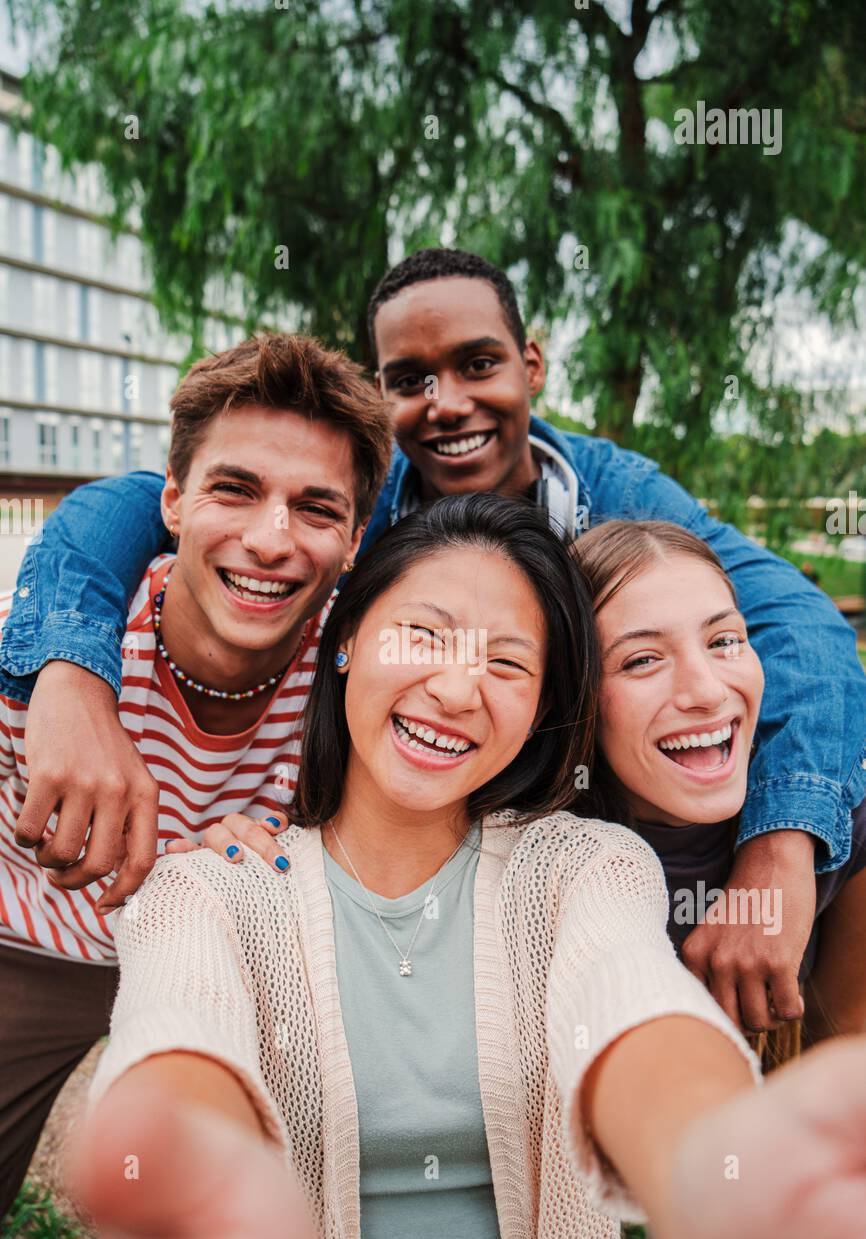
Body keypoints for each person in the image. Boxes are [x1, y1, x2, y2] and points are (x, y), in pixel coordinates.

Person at [2, 250, 864, 1030]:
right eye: (409, 377)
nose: (447, 403)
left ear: (531, 366)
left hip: (600, 806)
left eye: (478, 364)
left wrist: (779, 847)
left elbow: (792, 624)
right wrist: (73, 674)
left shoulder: (617, 494)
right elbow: (122, 508)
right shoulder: (349, 510)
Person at [65, 495, 866, 1239]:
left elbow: (631, 1003)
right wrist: (193, 1163)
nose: (455, 688)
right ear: (345, 642)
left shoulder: (585, 866)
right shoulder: (206, 890)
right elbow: (178, 1027)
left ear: (543, 708)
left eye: (508, 664)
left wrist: (711, 1149)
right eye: (423, 634)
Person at [0, 333, 391, 1222]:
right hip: (28, 944)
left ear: (356, 538)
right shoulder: (40, 652)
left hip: (236, 957)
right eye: (235, 489)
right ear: (172, 499)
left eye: (316, 508)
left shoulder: (362, 675)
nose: (270, 540)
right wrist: (70, 685)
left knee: (271, 1216)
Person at [572, 520, 866, 1047]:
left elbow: (846, 1073)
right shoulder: (526, 864)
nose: (707, 691)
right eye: (642, 660)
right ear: (575, 698)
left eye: (725, 641)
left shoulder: (847, 825)